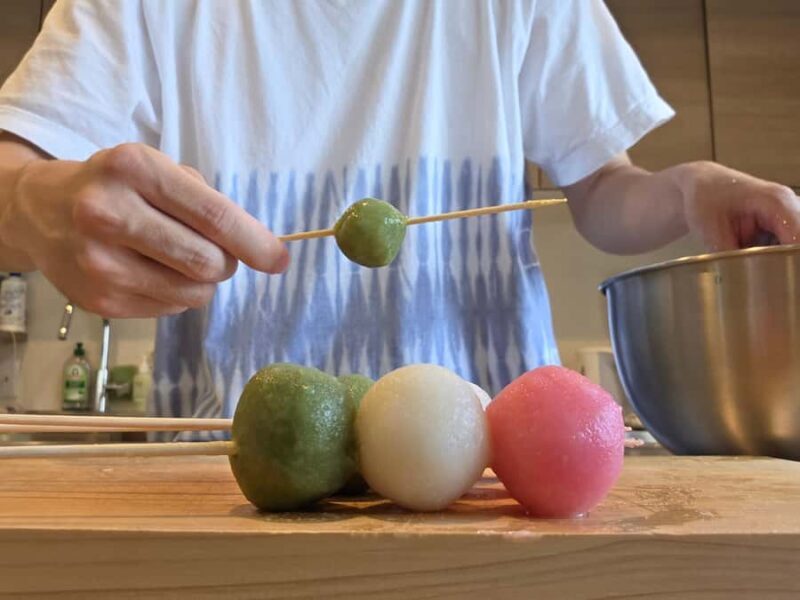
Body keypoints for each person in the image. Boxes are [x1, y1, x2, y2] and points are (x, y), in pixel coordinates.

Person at [0, 1, 797, 433]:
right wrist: (37, 206)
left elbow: (600, 194)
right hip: (242, 476)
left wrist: (689, 190)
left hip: (494, 472)